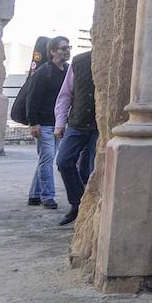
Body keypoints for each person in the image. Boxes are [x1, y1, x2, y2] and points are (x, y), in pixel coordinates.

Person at [53, 48, 98, 226]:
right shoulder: (79, 61)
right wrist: (60, 123)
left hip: (98, 125)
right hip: (77, 122)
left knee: (95, 168)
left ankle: (92, 208)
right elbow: (65, 94)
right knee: (63, 161)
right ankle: (77, 203)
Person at [25, 36, 70, 209]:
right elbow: (32, 99)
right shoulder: (43, 72)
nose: (67, 51)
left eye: (69, 47)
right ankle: (47, 196)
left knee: (46, 158)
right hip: (43, 123)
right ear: (52, 51)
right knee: (47, 158)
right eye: (63, 48)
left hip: (58, 123)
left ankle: (34, 195)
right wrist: (33, 122)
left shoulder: (68, 71)